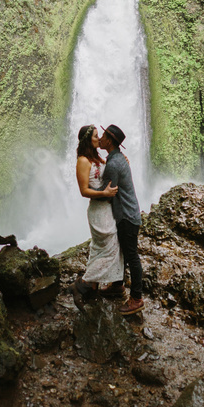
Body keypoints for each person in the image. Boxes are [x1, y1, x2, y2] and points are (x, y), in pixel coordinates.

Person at [73, 125, 125, 306]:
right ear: (89, 139)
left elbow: (109, 171)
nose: (99, 138)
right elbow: (84, 190)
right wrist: (103, 194)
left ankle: (92, 288)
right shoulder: (83, 160)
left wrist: (121, 160)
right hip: (98, 209)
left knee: (98, 248)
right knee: (110, 246)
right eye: (96, 136)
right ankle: (84, 283)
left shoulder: (98, 158)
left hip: (107, 208)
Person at [98, 124, 144, 315]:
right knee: (122, 252)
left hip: (126, 216)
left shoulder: (114, 163)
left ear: (109, 141)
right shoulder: (116, 158)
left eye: (103, 136)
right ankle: (117, 285)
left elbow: (107, 192)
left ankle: (137, 298)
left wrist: (88, 190)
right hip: (129, 213)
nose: (100, 138)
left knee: (132, 256)